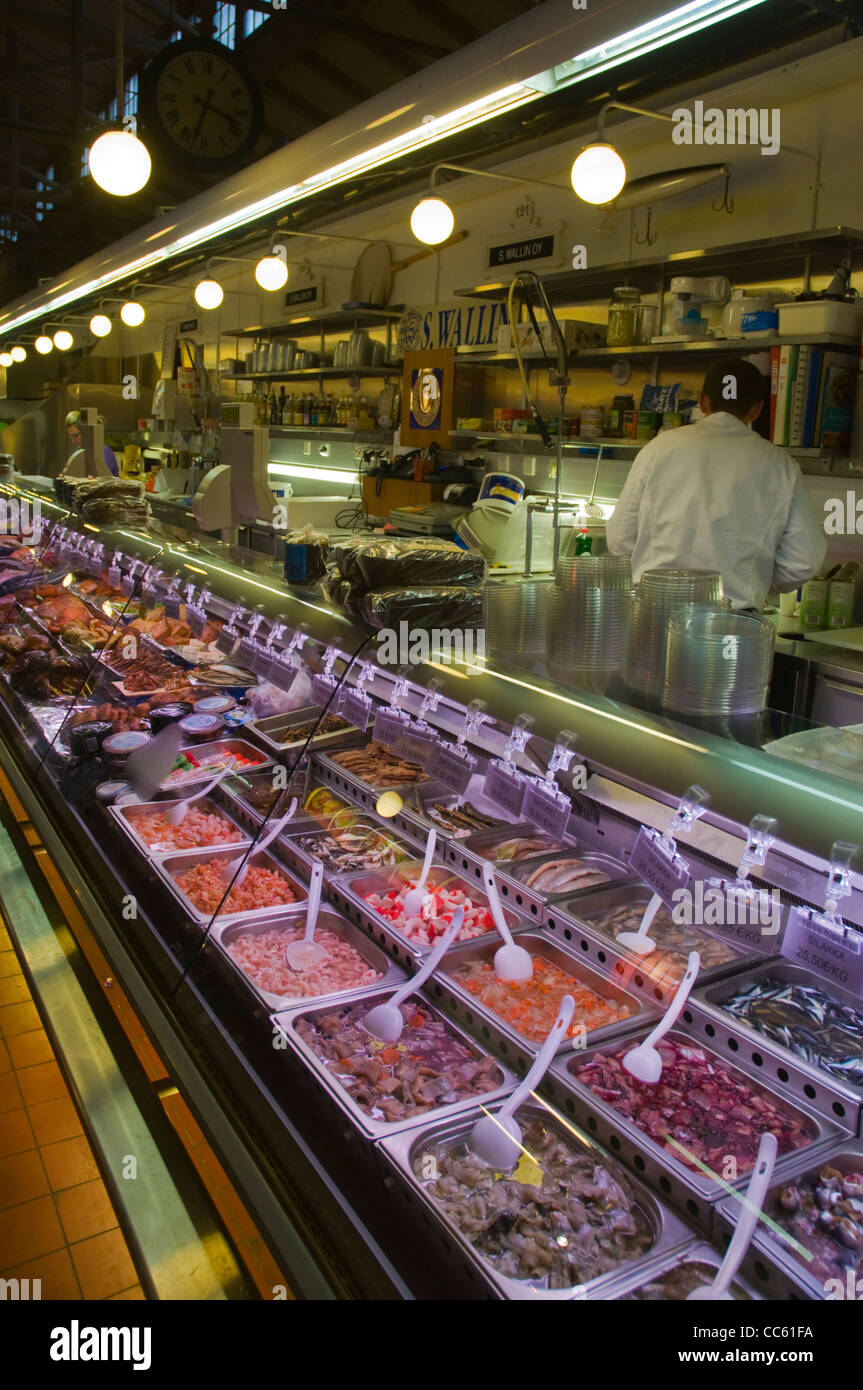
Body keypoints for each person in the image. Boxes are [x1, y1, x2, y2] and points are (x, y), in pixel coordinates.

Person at [606, 358, 826, 611]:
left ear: (703, 401)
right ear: (757, 409)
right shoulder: (781, 465)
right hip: (732, 623)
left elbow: (619, 538)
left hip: (655, 614)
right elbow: (803, 562)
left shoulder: (659, 448)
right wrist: (753, 579)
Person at [65, 410, 119, 477]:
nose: (73, 441)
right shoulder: (79, 451)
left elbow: (99, 480)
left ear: (86, 431)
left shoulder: (103, 453)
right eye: (71, 437)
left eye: (76, 436)